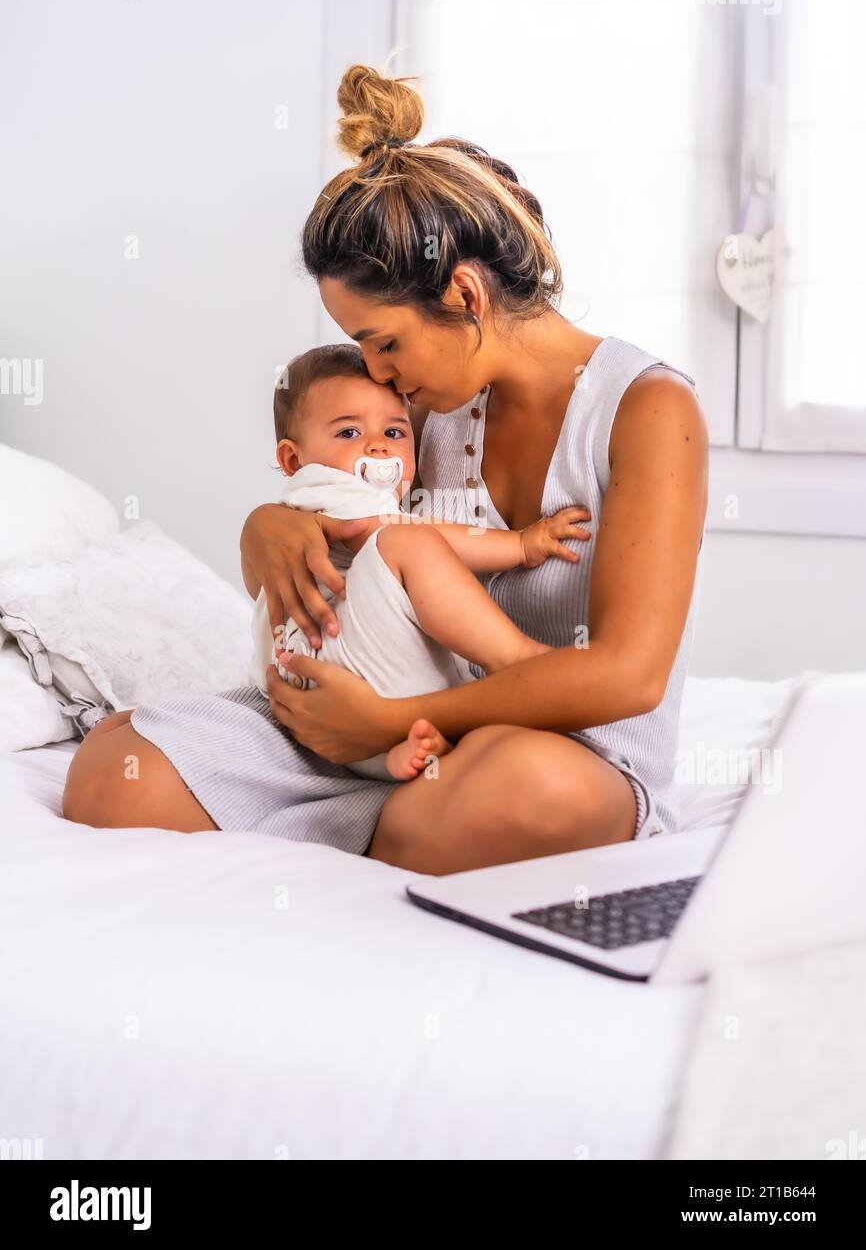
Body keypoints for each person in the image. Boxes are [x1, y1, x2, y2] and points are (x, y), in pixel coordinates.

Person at [63, 62, 708, 877]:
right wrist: (269, 526)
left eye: (385, 342)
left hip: (551, 752)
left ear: (466, 296)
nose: (378, 374)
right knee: (113, 770)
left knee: (525, 788)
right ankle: (388, 821)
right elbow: (343, 527)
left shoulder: (648, 411)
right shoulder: (424, 402)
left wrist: (390, 720)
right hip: (383, 735)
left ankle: (356, 821)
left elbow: (628, 675)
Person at [247, 343, 591, 783]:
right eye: (349, 433)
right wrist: (520, 545)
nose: (377, 447)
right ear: (294, 460)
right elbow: (418, 537)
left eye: (394, 433)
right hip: (326, 653)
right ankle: (521, 662)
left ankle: (399, 753)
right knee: (408, 543)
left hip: (337, 683)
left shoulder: (338, 501)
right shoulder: (324, 491)